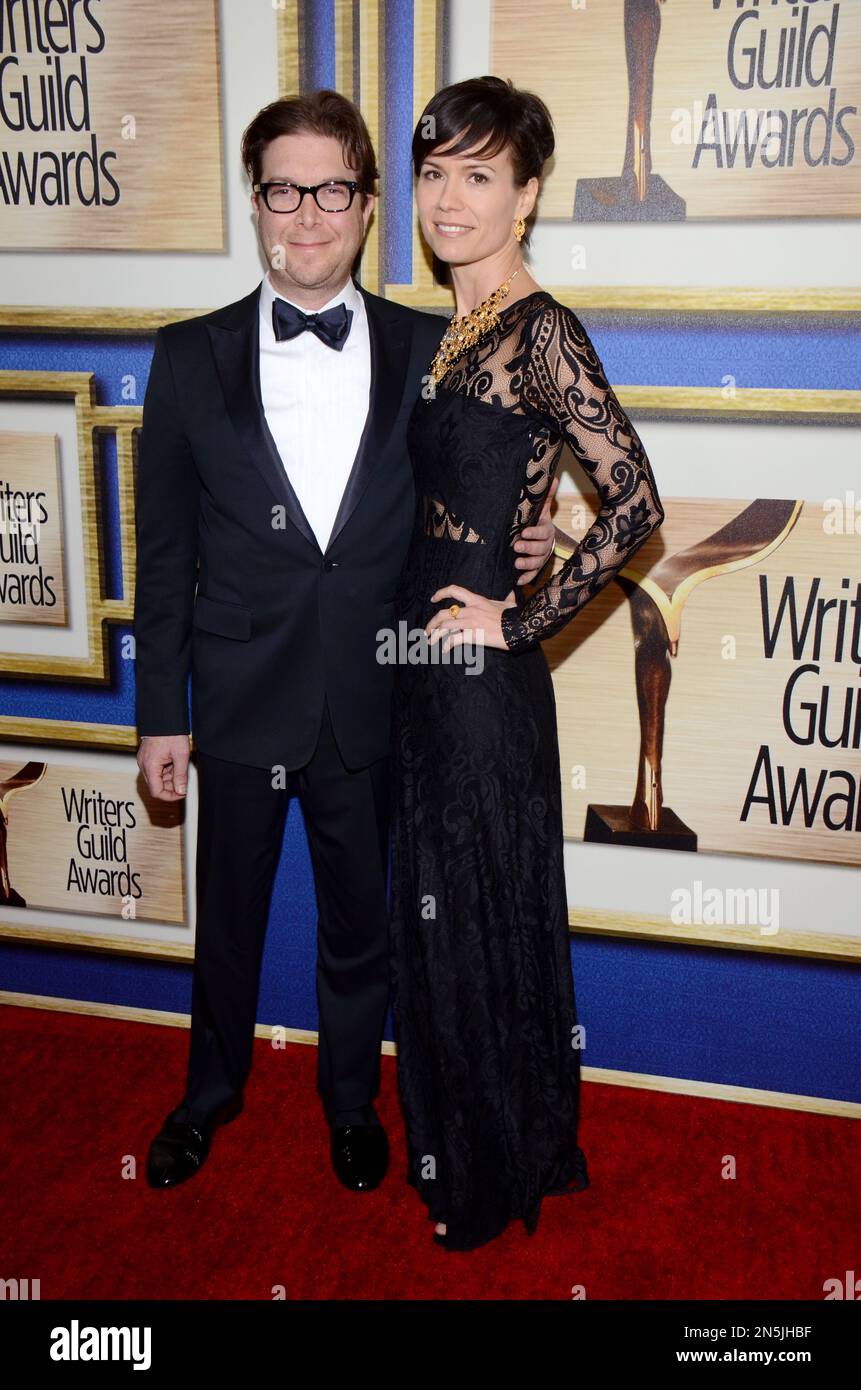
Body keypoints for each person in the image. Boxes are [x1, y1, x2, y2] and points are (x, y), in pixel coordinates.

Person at [133, 90, 557, 1193]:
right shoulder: (185, 359)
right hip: (234, 698)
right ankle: (208, 1093)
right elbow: (163, 555)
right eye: (284, 187)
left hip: (378, 697)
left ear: (370, 207)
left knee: (360, 928)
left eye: (332, 189)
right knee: (226, 923)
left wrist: (533, 535)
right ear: (258, 201)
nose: (308, 213)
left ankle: (351, 1104)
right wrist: (160, 717)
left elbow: (480, 487)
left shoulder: (435, 348)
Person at [389, 75, 665, 1250]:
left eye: (480, 175)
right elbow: (492, 483)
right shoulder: (456, 330)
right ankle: (488, 1133)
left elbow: (637, 499)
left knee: (479, 901)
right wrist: (529, 521)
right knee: (449, 905)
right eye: (436, 171)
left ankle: (494, 1161)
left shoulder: (539, 327)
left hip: (479, 681)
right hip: (418, 668)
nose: (451, 198)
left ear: (529, 193)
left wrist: (521, 616)